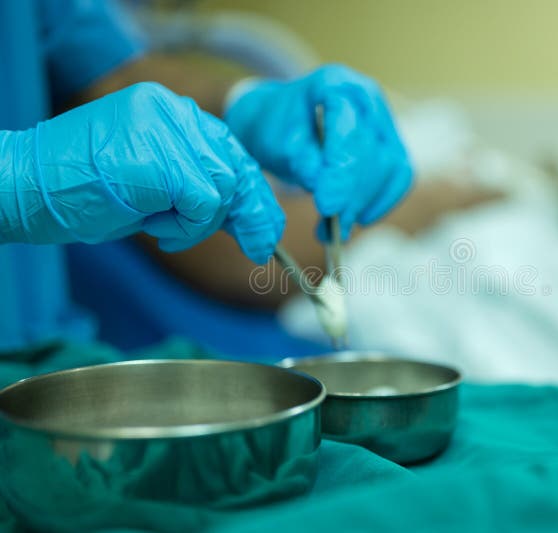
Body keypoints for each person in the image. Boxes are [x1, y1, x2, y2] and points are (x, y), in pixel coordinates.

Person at [0, 0, 412, 355]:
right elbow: (237, 267)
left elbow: (100, 67)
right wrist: (20, 177)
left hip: (45, 354)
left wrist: (242, 102)